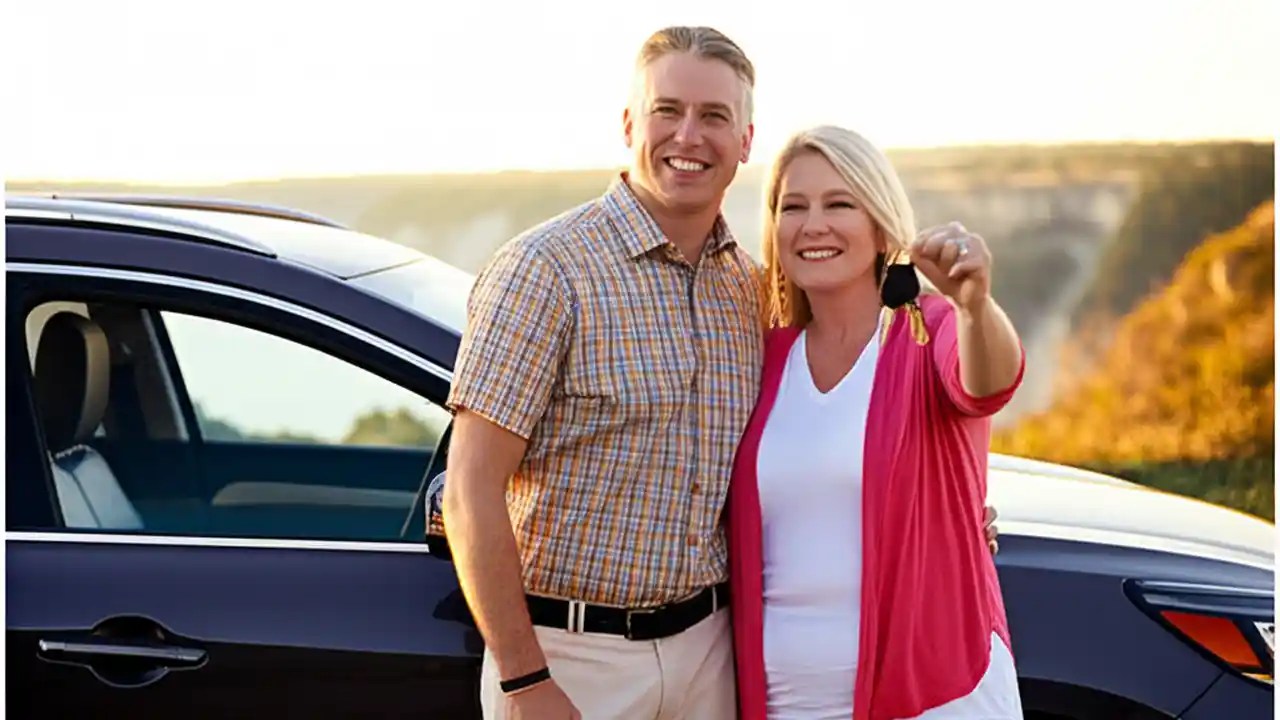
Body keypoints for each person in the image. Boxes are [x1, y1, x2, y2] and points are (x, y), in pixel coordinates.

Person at [442, 25, 1001, 720]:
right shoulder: (545, 271)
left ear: (744, 141)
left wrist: (947, 510)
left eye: (714, 117)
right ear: (628, 124)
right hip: (575, 658)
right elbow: (469, 490)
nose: (689, 136)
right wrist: (526, 681)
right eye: (667, 111)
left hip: (714, 657)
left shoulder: (751, 293)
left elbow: (856, 418)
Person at [726, 125, 1026, 719]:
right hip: (785, 704)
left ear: (881, 224)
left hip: (934, 697)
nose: (814, 224)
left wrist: (975, 304)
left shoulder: (930, 328)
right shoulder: (761, 359)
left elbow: (988, 382)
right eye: (794, 206)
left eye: (840, 203)